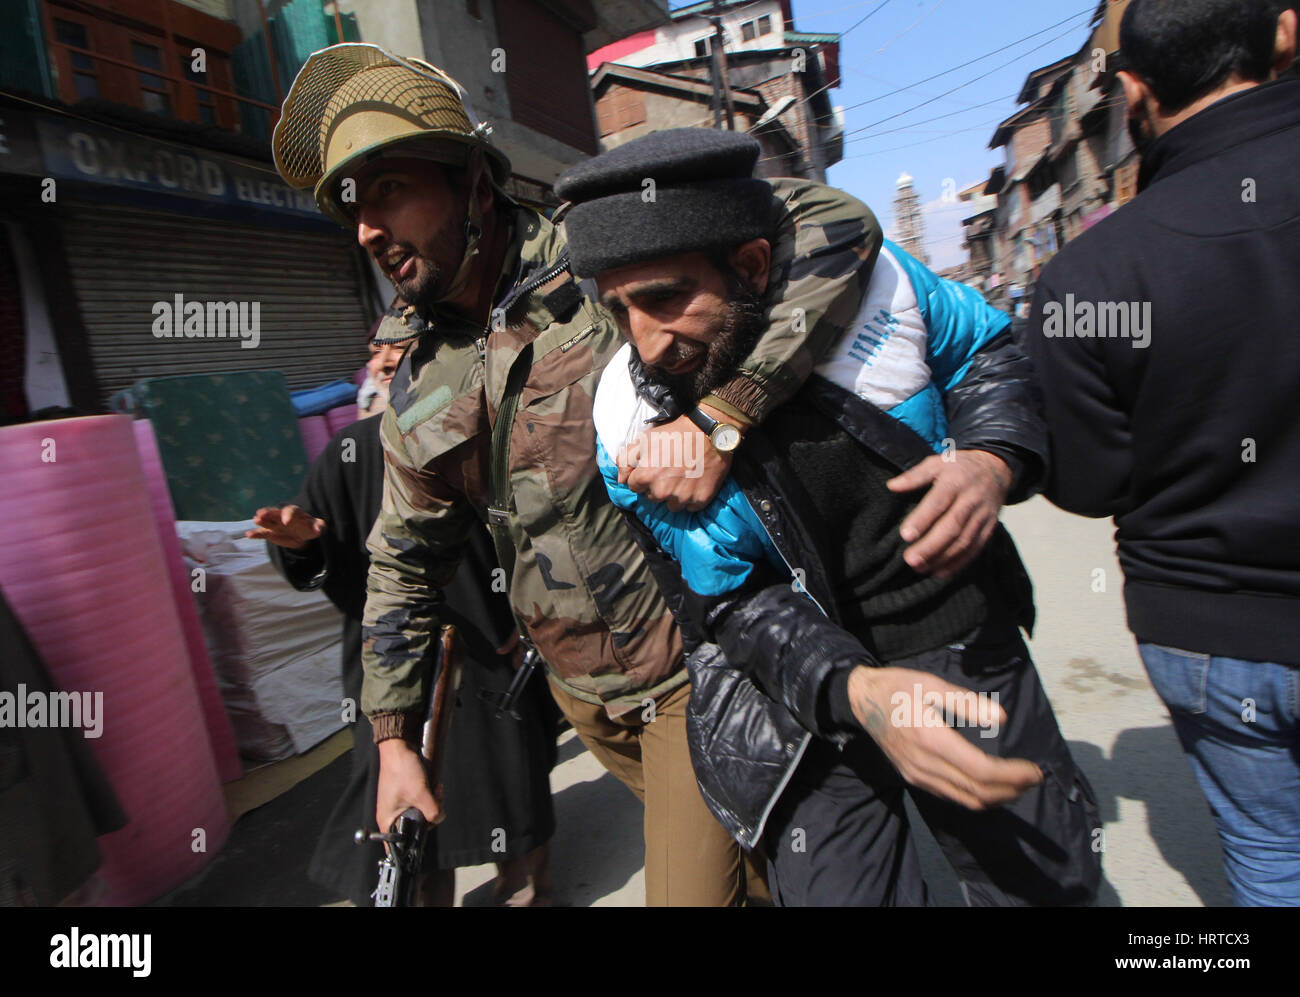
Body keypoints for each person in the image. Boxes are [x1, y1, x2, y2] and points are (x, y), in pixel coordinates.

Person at [271, 43, 1050, 905]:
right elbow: (402, 565)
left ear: (472, 183)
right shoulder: (415, 379)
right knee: (764, 873)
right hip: (582, 699)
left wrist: (729, 410)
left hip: (695, 659)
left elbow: (831, 225)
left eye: (389, 191)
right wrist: (392, 743)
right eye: (352, 208)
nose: (369, 229)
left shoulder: (599, 247)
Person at [560, 128, 1102, 906]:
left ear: (749, 266)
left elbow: (988, 353)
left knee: (1048, 881)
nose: (645, 343)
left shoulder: (887, 288)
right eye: (619, 309)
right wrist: (858, 692)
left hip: (961, 650)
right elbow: (728, 600)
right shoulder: (624, 420)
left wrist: (989, 460)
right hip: (803, 697)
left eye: (665, 298)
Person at [1022, 0, 1299, 906]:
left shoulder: (1084, 278)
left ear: (1133, 90)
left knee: (1271, 854)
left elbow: (1091, 482)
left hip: (1214, 631)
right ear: (1285, 36)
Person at [248, 304, 556, 906]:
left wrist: (532, 619)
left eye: (400, 359)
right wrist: (308, 542)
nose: (383, 369)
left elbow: (534, 534)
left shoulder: (478, 429)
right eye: (377, 359)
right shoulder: (349, 452)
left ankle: (528, 891)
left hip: (487, 643)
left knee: (511, 786)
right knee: (410, 820)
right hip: (394, 658)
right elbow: (328, 558)